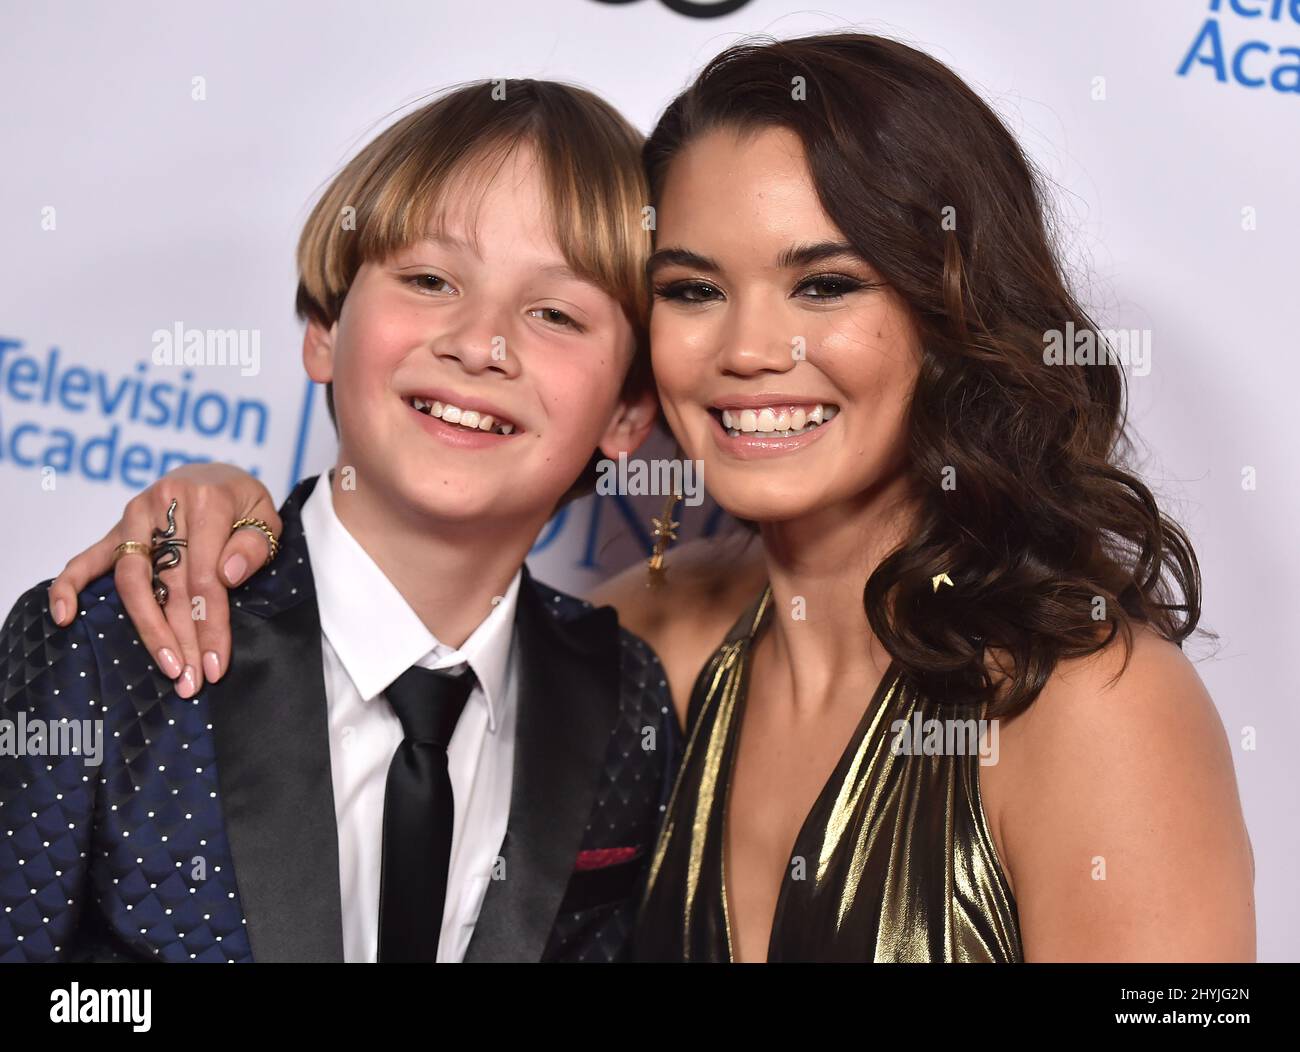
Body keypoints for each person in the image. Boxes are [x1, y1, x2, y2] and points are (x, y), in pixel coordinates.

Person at [38, 32, 1256, 963]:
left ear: (946, 316)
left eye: (823, 284)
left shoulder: (1091, 701)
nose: (747, 349)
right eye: (692, 288)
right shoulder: (650, 655)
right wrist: (227, 503)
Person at [0, 79, 676, 963]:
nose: (481, 343)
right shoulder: (109, 644)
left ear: (627, 416)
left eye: (555, 312)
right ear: (324, 325)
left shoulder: (627, 703)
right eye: (430, 279)